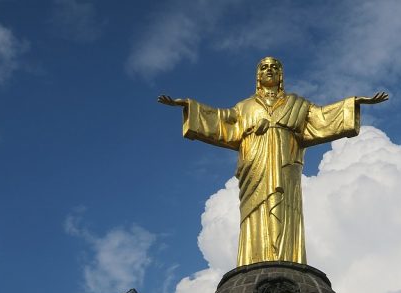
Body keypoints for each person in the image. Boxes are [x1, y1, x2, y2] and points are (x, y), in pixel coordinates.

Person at [159, 56, 388, 267]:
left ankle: (288, 259)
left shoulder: (297, 103)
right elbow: (221, 120)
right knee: (255, 211)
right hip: (254, 161)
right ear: (258, 76)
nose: (269, 70)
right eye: (264, 68)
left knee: (286, 207)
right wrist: (189, 106)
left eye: (274, 67)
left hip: (286, 161)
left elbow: (321, 117)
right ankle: (253, 261)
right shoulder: (244, 106)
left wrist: (353, 103)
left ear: (281, 75)